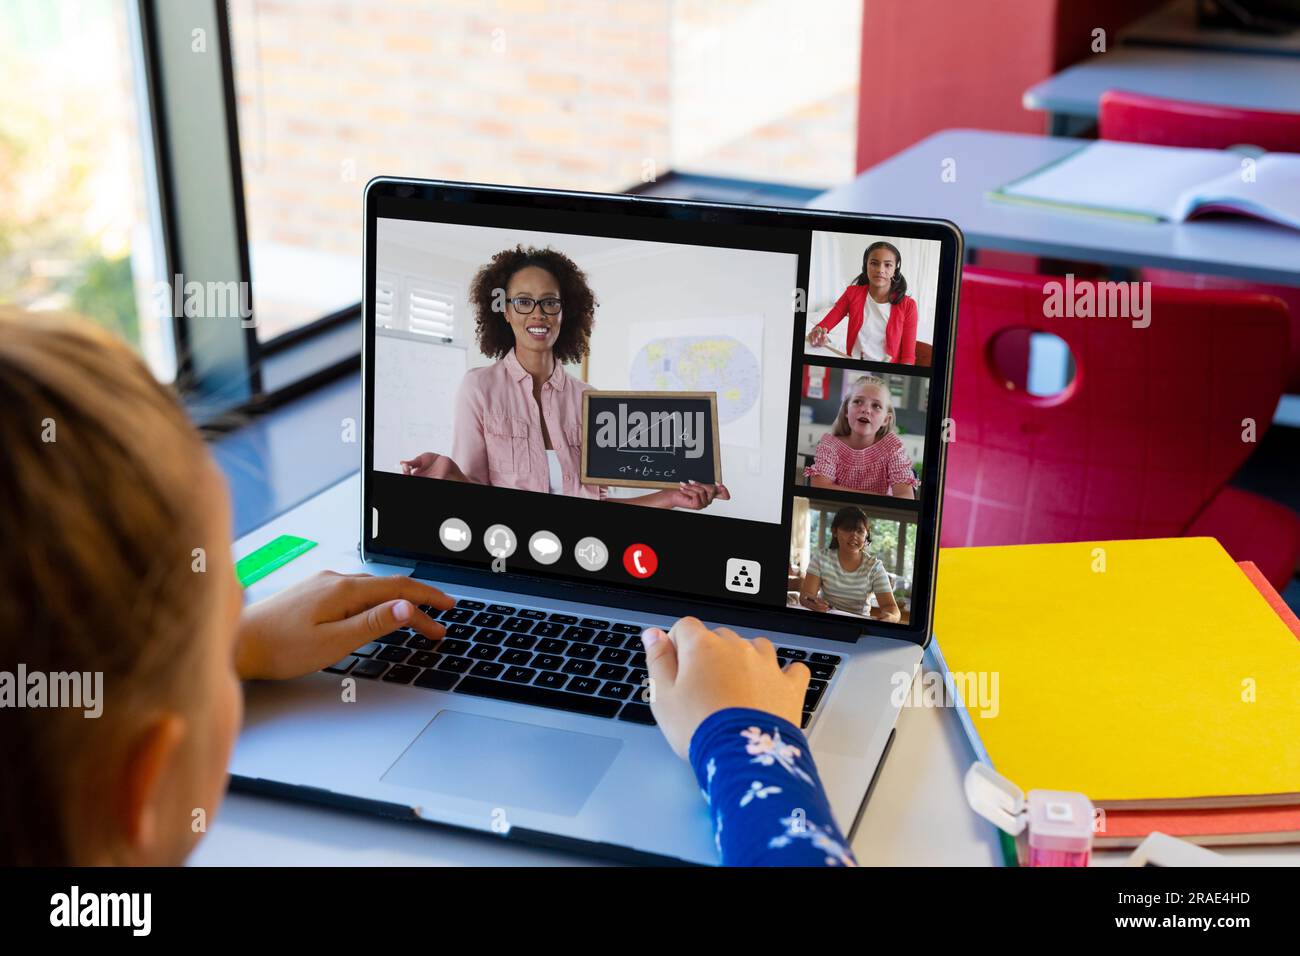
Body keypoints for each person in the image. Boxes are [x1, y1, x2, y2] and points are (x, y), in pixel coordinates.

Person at [1, 308, 852, 866]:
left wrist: (224, 648)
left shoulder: (583, 399)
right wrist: (742, 738)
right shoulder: (480, 390)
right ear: (143, 788)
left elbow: (599, 499)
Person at [401, 246, 730, 511]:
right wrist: (445, 472)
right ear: (504, 309)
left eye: (550, 302)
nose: (538, 313)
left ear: (564, 310)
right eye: (523, 301)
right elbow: (473, 497)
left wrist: (671, 496)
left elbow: (600, 510)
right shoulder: (479, 388)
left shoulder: (592, 401)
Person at [806, 240, 919, 365]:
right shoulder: (852, 293)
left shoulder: (908, 306)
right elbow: (824, 326)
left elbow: (908, 357)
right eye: (874, 263)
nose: (880, 270)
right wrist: (817, 334)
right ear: (866, 265)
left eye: (887, 265)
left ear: (895, 270)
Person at [805, 375, 918, 498]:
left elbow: (905, 496)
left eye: (876, 406)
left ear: (886, 419)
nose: (866, 410)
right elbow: (820, 488)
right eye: (858, 402)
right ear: (846, 411)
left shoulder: (893, 447)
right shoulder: (829, 443)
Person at [799, 506, 902, 622]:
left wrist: (891, 617)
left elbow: (891, 608)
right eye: (847, 529)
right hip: (826, 621)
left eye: (860, 531)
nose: (854, 536)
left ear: (866, 535)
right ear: (834, 531)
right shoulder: (821, 558)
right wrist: (813, 604)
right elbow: (805, 596)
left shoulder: (875, 567)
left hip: (859, 627)